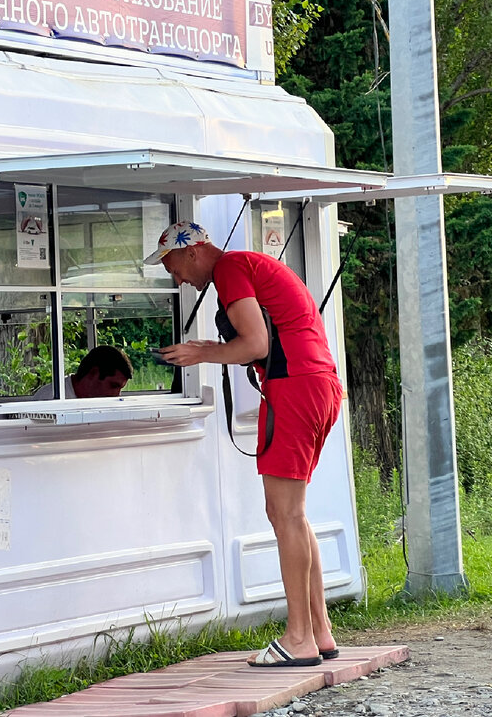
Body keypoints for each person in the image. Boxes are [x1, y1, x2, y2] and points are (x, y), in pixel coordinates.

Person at [146, 220, 343, 669]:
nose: (175, 278)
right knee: (294, 513)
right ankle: (318, 630)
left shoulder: (231, 268)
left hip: (294, 386)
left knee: (284, 514)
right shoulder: (250, 265)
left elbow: (256, 343)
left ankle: (298, 638)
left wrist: (203, 352)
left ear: (192, 251)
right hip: (318, 384)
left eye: (172, 265)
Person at [30, 345, 133, 400]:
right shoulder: (50, 397)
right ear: (93, 373)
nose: (117, 395)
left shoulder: (102, 403)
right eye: (113, 385)